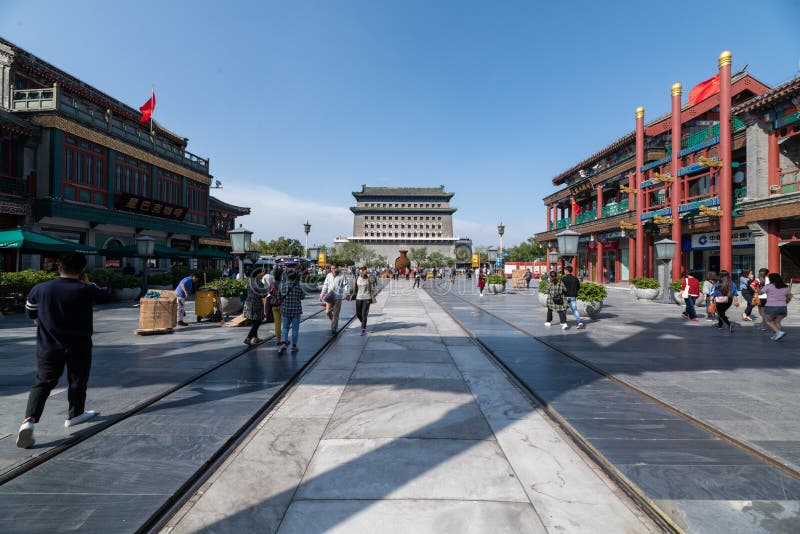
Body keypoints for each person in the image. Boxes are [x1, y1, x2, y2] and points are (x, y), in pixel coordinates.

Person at [17, 253, 111, 449]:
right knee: (77, 380)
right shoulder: (86, 289)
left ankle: (29, 421)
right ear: (82, 271)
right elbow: (106, 297)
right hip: (79, 345)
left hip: (48, 345)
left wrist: (39, 320)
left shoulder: (41, 288)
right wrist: (88, 283)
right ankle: (75, 415)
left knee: (43, 382)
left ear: (59, 267)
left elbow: (30, 311)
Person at [278, 269, 305, 353]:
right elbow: (302, 297)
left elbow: (278, 297)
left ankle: (283, 344)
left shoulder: (282, 286)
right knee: (295, 329)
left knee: (285, 328)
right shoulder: (298, 287)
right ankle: (294, 346)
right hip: (296, 311)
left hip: (285, 310)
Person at [320, 264, 349, 335]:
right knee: (327, 312)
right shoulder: (328, 275)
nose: (333, 269)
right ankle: (333, 321)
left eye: (334, 268)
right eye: (332, 268)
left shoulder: (342, 276)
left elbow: (346, 285)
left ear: (337, 268)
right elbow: (325, 285)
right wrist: (322, 294)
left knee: (336, 314)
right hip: (330, 297)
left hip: (338, 297)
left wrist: (347, 294)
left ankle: (334, 327)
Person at [762, 273, 792, 341]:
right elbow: (789, 297)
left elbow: (760, 293)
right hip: (783, 307)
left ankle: (779, 332)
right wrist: (785, 302)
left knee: (767, 321)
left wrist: (757, 287)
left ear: (771, 279)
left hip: (771, 306)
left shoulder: (768, 286)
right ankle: (778, 335)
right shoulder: (786, 286)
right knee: (777, 322)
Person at [243, 269, 270, 345]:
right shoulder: (258, 282)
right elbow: (263, 295)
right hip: (256, 303)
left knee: (254, 321)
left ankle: (255, 338)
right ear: (257, 275)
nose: (262, 275)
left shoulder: (250, 281)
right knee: (258, 321)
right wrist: (267, 289)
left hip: (248, 303)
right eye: (260, 274)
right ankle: (248, 338)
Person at [350, 266, 377, 335]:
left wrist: (369, 275)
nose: (362, 272)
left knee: (364, 314)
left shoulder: (368, 278)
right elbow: (353, 287)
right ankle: (363, 322)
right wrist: (349, 294)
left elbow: (373, 280)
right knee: (358, 313)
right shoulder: (357, 278)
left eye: (363, 270)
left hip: (367, 297)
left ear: (365, 271)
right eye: (361, 270)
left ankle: (363, 329)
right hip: (358, 297)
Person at [267, 266, 283, 344]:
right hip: (282, 304)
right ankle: (284, 338)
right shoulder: (282, 284)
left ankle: (278, 339)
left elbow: (269, 292)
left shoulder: (272, 284)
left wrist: (274, 298)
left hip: (274, 304)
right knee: (285, 323)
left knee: (277, 323)